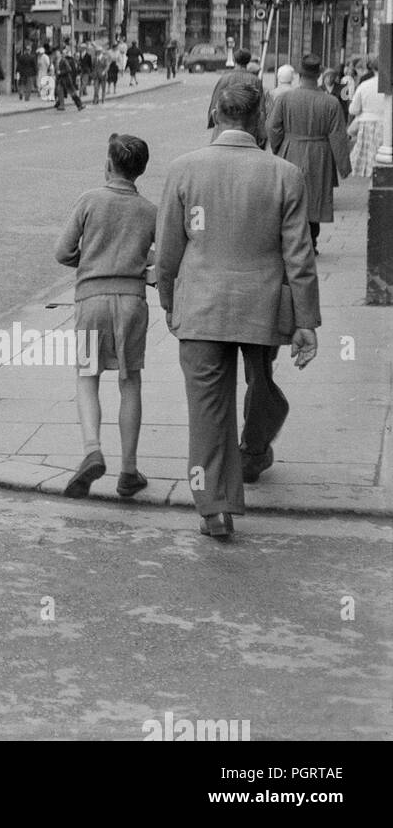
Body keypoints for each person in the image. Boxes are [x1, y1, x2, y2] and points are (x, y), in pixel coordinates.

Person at [155, 85, 319, 542]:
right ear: (261, 115)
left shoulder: (183, 169)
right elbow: (299, 256)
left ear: (214, 113)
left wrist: (169, 301)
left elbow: (168, 250)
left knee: (207, 410)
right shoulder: (285, 174)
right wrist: (305, 322)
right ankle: (255, 447)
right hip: (260, 308)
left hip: (202, 307)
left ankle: (213, 508)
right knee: (261, 382)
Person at [54, 133, 156, 500]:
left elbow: (63, 251)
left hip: (90, 300)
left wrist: (93, 263)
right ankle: (129, 470)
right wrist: (141, 266)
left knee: (87, 376)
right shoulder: (149, 210)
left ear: (109, 165)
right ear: (140, 171)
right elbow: (164, 258)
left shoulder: (89, 200)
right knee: (131, 382)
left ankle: (92, 449)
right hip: (132, 302)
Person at [268, 55, 351, 255]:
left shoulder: (285, 99)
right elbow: (338, 136)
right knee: (314, 198)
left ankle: (289, 241)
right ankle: (311, 242)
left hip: (291, 150)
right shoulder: (331, 102)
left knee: (288, 196)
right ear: (319, 75)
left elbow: (273, 127)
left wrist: (278, 148)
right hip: (319, 153)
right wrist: (344, 167)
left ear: (300, 74)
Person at [206, 48, 266, 148]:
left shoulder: (225, 78)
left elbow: (215, 103)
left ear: (234, 60)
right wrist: (261, 131)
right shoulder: (255, 80)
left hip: (225, 125)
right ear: (248, 61)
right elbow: (261, 107)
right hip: (247, 126)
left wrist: (214, 121)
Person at [347, 56, 383, 179]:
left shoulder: (365, 85)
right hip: (386, 125)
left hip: (366, 125)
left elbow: (353, 109)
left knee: (368, 155)